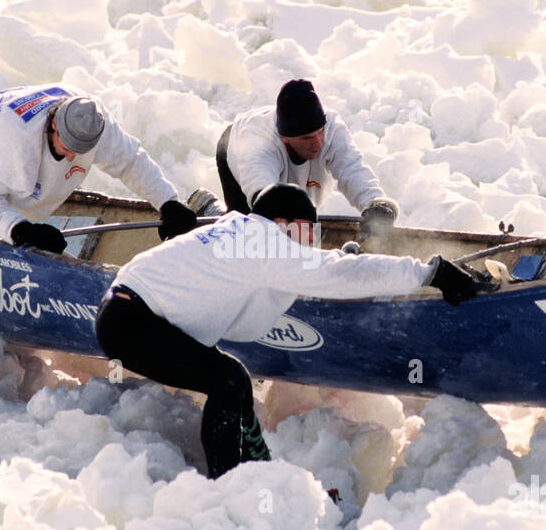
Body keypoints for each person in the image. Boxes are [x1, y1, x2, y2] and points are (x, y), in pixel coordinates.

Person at [95, 183, 481, 478]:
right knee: (227, 380)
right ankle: (225, 484)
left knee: (235, 380)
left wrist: (317, 270)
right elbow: (336, 274)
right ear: (281, 224)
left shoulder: (242, 230)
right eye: (305, 231)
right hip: (133, 320)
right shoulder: (263, 242)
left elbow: (251, 317)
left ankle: (248, 470)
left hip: (125, 310)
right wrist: (429, 273)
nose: (309, 241)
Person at [0, 84, 198, 386]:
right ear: (53, 125)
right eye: (68, 149)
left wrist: (168, 203)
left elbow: (132, 162)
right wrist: (21, 230)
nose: (72, 157)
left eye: (81, 153)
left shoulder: (93, 122)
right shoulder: (11, 137)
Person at [215, 79, 401, 241]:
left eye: (320, 132)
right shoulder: (258, 143)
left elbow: (352, 169)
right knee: (247, 229)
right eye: (306, 138)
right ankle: (211, 210)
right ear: (284, 137)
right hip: (235, 149)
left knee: (297, 225)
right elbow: (264, 197)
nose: (317, 144)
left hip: (281, 163)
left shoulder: (332, 128)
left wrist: (376, 203)